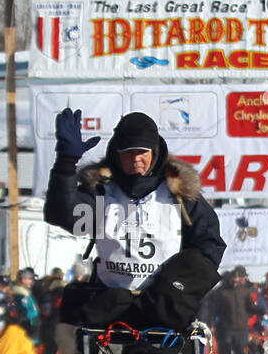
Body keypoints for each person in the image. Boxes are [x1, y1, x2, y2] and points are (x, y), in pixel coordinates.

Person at [43, 109, 226, 334]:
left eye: (142, 152)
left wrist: (177, 287)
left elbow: (209, 245)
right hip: (108, 308)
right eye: (128, 153)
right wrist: (66, 163)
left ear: (155, 152)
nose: (136, 159)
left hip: (165, 311)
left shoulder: (180, 196)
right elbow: (61, 214)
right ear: (116, 154)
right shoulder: (101, 193)